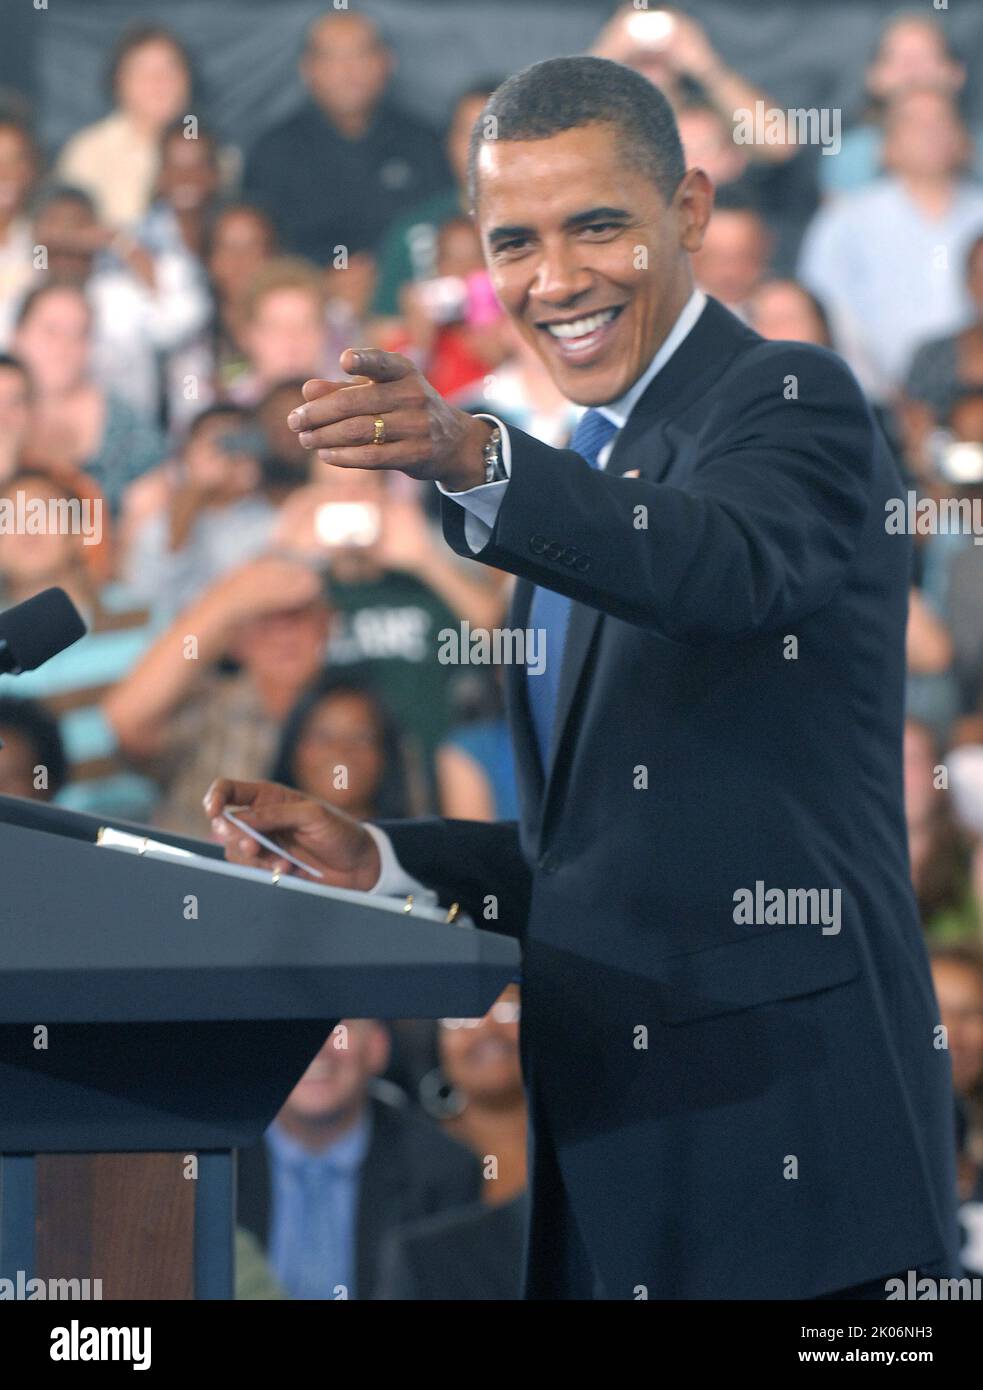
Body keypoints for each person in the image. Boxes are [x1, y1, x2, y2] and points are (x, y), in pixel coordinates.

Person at [206, 56, 960, 1300]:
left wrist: (470, 453)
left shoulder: (786, 399)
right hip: (618, 1177)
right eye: (515, 241)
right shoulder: (570, 481)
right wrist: (387, 862)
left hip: (793, 1176)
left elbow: (720, 566)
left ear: (693, 212)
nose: (553, 280)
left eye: (596, 224)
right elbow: (607, 857)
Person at [235, 1020, 481, 1300]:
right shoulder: (210, 1165)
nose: (316, 1047)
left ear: (377, 1047)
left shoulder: (442, 1168)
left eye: (339, 1028)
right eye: (290, 1023)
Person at [798, 87, 983, 401]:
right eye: (914, 123)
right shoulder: (844, 221)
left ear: (964, 140)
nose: (931, 133)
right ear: (886, 146)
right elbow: (823, 310)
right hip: (872, 402)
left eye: (942, 121)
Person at [242, 11, 449, 264]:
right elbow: (258, 248)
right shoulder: (273, 152)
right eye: (332, 58)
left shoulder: (425, 143)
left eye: (360, 55)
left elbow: (444, 232)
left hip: (403, 291)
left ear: (387, 62)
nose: (348, 72)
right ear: (307, 69)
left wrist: (382, 276)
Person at [56, 25, 193, 228]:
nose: (160, 82)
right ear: (119, 83)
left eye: (170, 69)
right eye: (143, 72)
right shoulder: (87, 152)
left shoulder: (213, 154)